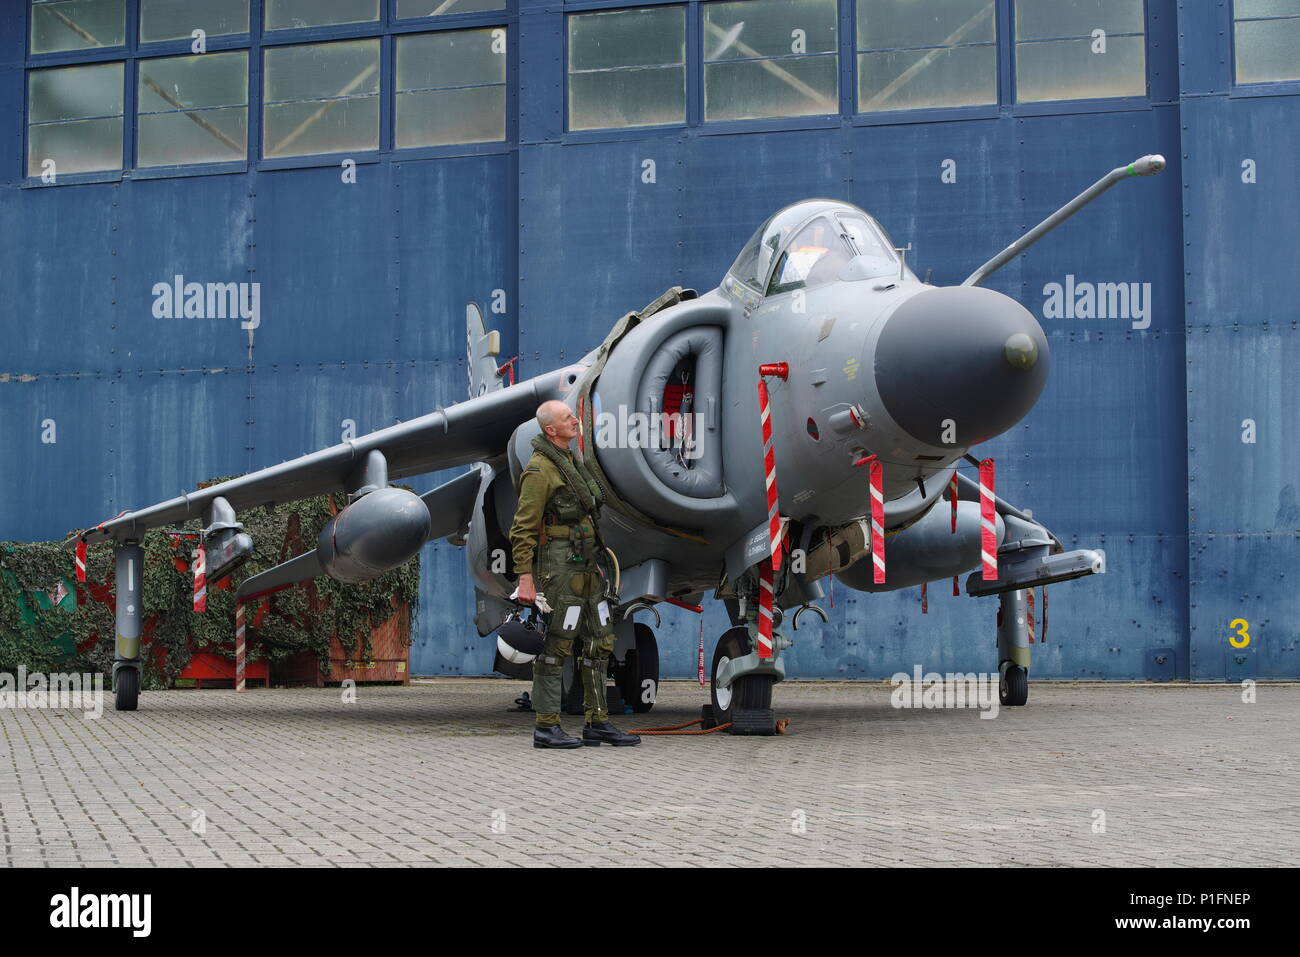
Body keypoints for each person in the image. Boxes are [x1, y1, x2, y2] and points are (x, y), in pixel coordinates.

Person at [508, 400, 641, 749]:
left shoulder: (572, 463)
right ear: (550, 429)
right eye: (567, 417)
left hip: (586, 567)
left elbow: (587, 518)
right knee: (556, 646)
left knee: (600, 641)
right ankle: (546, 726)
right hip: (558, 570)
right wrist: (525, 578)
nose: (574, 419)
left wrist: (596, 558)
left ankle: (597, 721)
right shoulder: (540, 470)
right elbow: (522, 529)